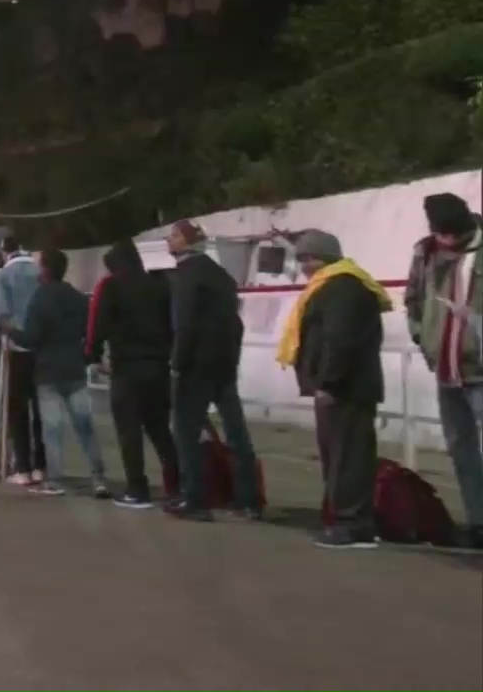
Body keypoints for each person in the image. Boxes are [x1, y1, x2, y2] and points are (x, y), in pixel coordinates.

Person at [281, 230, 388, 549]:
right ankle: (346, 519)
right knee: (342, 455)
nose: (304, 266)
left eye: (308, 258)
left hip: (345, 388)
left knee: (347, 457)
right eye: (301, 258)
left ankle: (351, 524)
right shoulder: (337, 285)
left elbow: (339, 341)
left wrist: (328, 382)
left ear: (324, 257)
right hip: (344, 386)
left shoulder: (341, 287)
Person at [166, 219, 263, 522]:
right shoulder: (221, 275)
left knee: (186, 431)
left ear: (187, 242)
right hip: (224, 363)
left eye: (174, 235)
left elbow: (184, 324)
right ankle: (249, 501)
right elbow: (236, 323)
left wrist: (178, 362)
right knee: (236, 431)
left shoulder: (185, 275)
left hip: (195, 365)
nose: (169, 240)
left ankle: (194, 498)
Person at [406, 193, 483, 548]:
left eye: (455, 233)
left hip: (479, 368)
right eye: (442, 234)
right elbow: (413, 299)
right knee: (460, 449)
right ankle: (478, 521)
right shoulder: (424, 253)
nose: (449, 241)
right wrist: (423, 338)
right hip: (446, 369)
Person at [88, 238, 180, 509]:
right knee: (160, 430)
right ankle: (178, 485)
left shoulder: (111, 286)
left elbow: (98, 324)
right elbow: (173, 325)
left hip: (127, 368)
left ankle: (138, 490)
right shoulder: (160, 285)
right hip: (158, 368)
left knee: (129, 431)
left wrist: (93, 356)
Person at [16, 250, 111, 498]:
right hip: (74, 369)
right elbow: (89, 331)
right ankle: (98, 478)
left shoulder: (40, 298)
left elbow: (30, 338)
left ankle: (56, 480)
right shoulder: (78, 298)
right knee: (85, 427)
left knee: (52, 430)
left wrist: (9, 330)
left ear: (46, 269)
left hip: (48, 372)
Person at [0, 230, 48, 486]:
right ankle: (41, 466)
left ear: (4, 252)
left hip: (15, 349)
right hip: (42, 349)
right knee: (41, 411)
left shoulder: (2, 275)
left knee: (17, 410)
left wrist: (5, 330)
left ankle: (23, 468)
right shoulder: (41, 272)